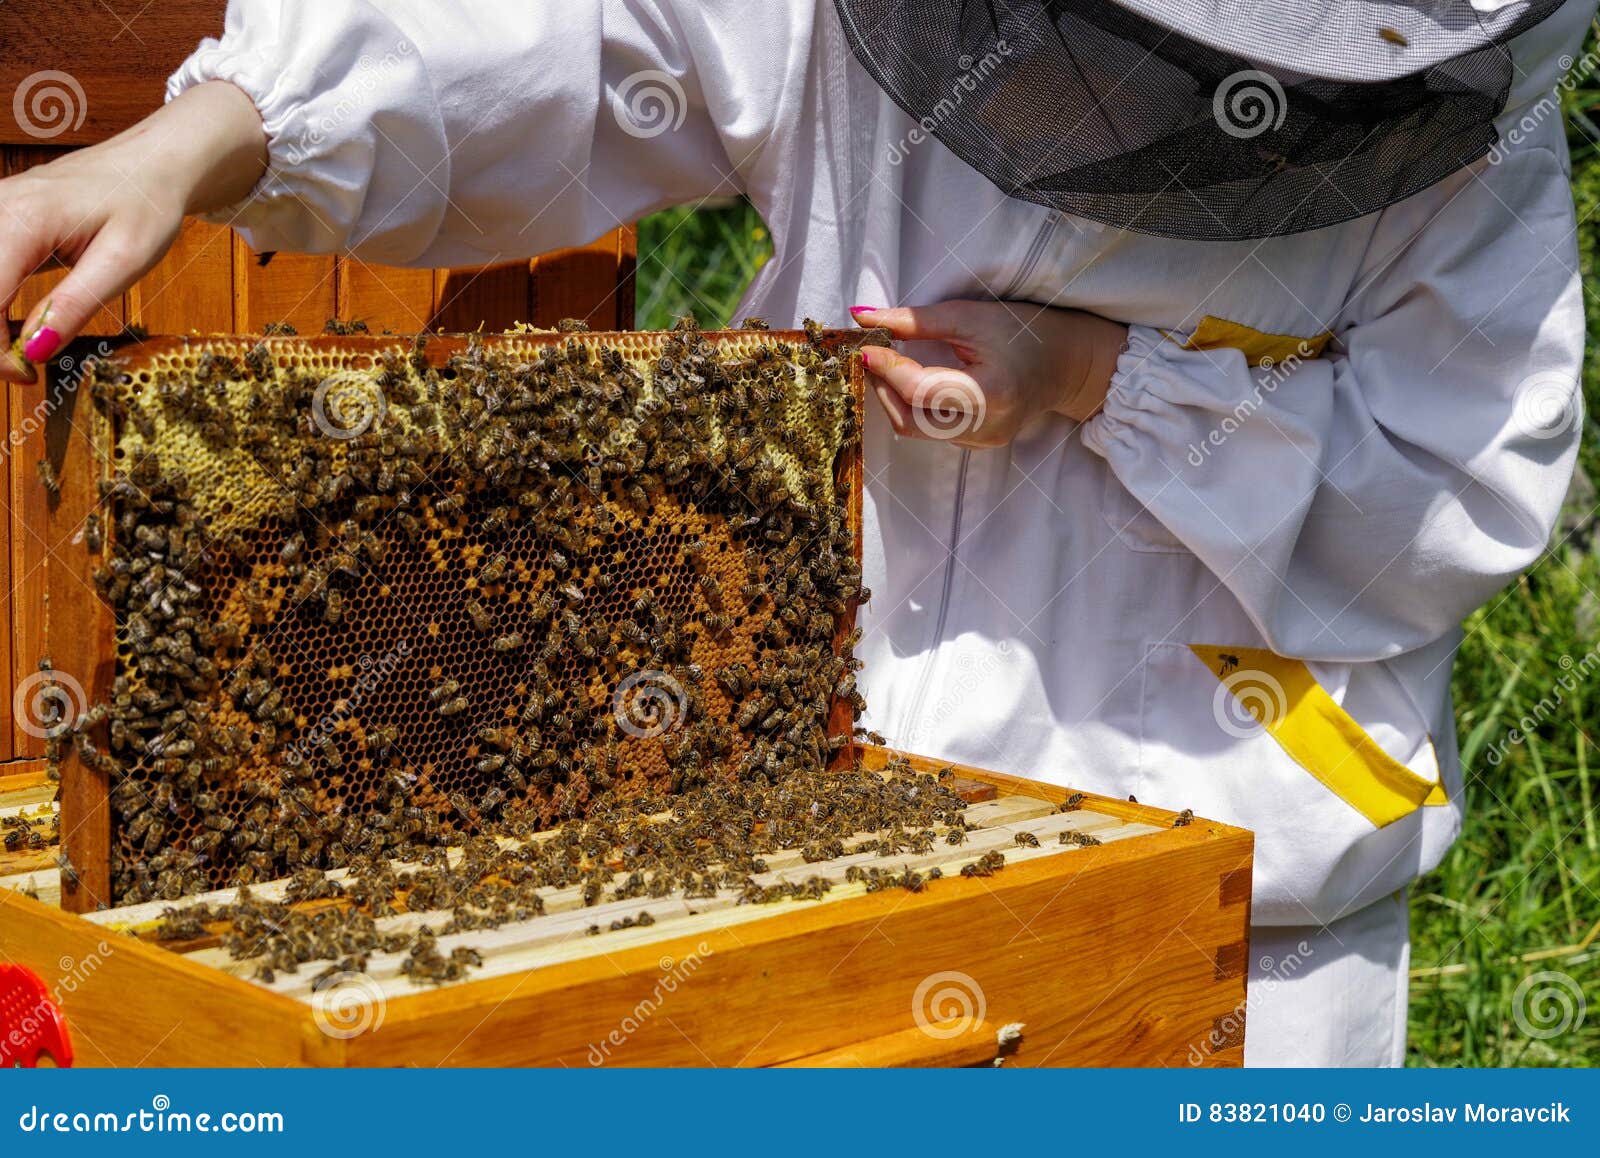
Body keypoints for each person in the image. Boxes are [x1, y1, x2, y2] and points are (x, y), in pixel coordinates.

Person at [0, 0, 1592, 1066]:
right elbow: (559, 37)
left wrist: (1101, 377)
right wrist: (194, 139)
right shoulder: (853, 20)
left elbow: (1451, 495)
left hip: (1240, 917)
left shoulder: (1441, 117)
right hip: (808, 858)